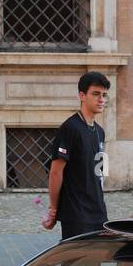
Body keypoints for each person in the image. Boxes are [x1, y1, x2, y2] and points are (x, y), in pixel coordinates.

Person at [43, 72, 110, 239]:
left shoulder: (100, 132)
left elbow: (101, 172)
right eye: (95, 94)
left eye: (104, 95)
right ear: (82, 96)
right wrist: (53, 209)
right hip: (77, 215)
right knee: (76, 265)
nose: (101, 99)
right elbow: (55, 172)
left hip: (99, 214)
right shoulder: (70, 128)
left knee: (95, 264)